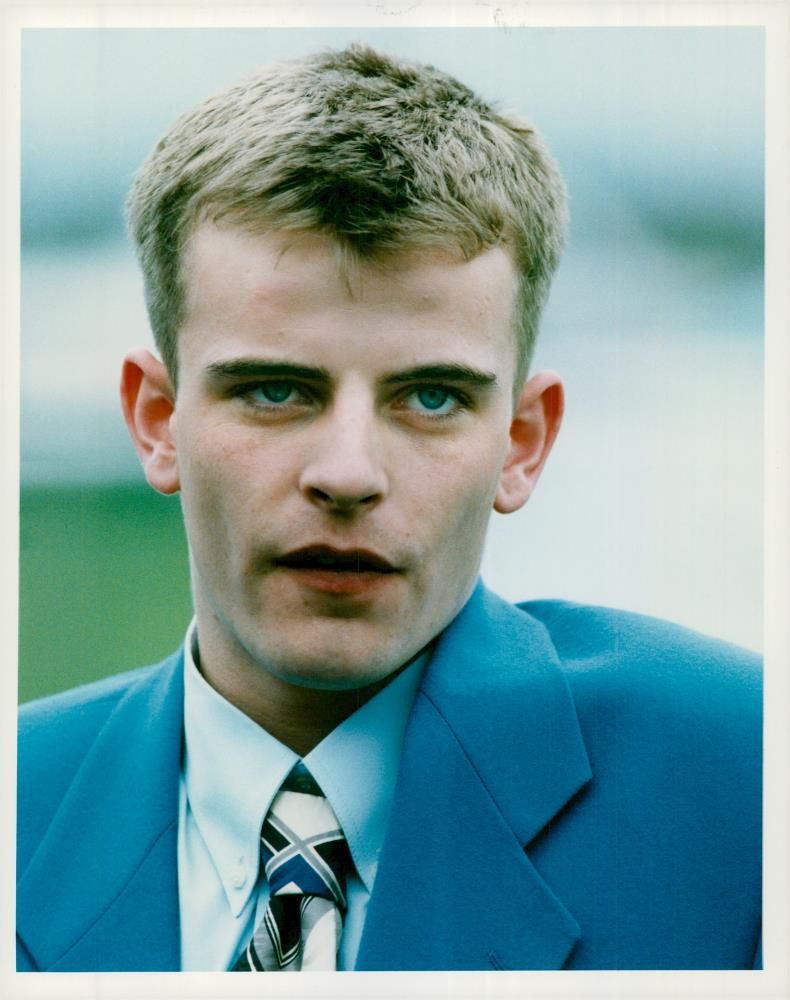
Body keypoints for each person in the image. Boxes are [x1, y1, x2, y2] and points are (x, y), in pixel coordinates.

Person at [16, 44, 761, 973]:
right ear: (159, 420)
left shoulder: (743, 788)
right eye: (276, 391)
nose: (348, 472)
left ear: (523, 441)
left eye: (433, 397)